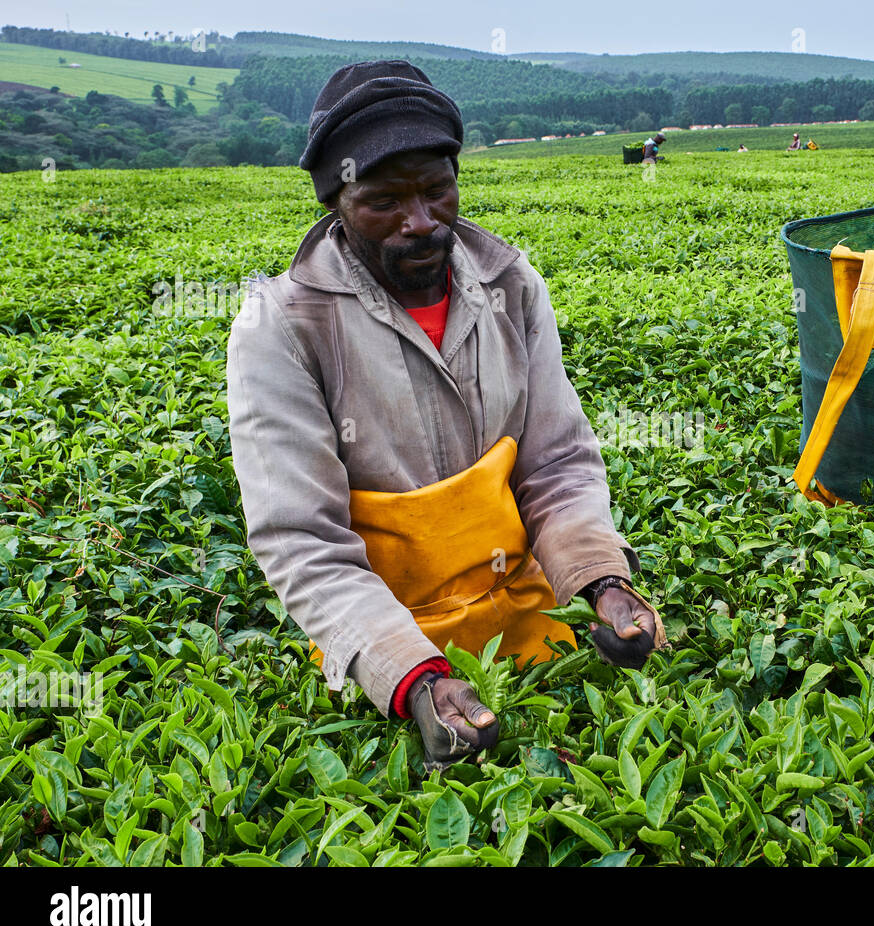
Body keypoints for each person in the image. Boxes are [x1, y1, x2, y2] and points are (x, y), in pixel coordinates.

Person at [225, 60, 666, 774]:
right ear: (337, 199)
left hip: (528, 618)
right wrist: (414, 678)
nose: (421, 223)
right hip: (390, 637)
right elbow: (300, 538)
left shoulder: (511, 285)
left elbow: (555, 463)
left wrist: (601, 581)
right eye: (384, 202)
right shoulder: (282, 327)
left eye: (438, 191)